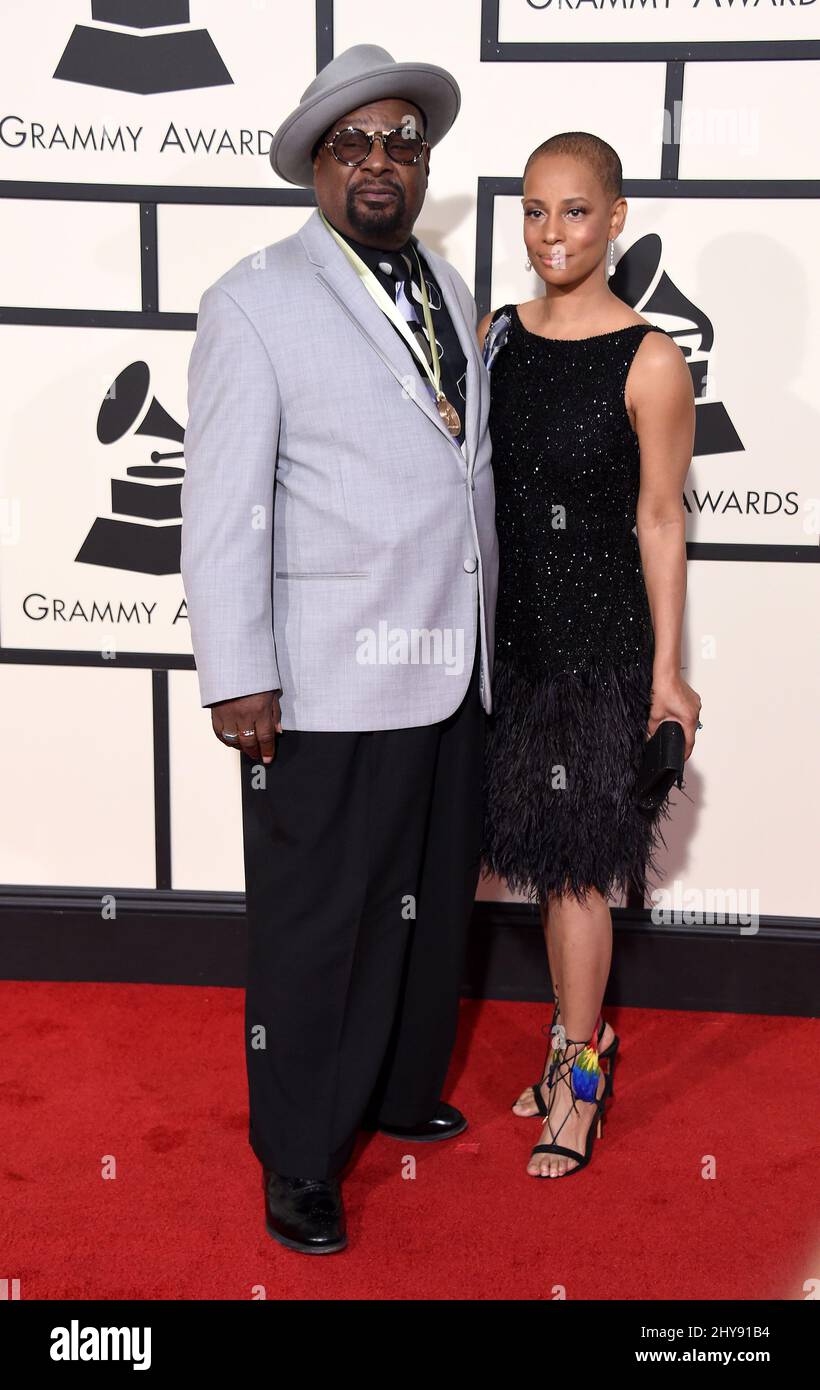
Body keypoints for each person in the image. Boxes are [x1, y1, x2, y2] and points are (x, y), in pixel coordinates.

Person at [180, 45, 497, 1253]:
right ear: (317, 164)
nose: (380, 163)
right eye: (354, 144)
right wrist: (240, 672)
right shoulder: (253, 298)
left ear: (422, 166)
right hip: (320, 672)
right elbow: (219, 505)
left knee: (423, 909)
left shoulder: (445, 281)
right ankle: (299, 1159)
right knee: (317, 923)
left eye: (401, 144)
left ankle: (396, 1090)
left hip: (448, 661)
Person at [477, 131, 701, 1180]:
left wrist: (664, 669)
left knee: (575, 874)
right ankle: (578, 1034)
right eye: (531, 210)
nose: (549, 232)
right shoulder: (496, 338)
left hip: (597, 653)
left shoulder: (650, 359)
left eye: (572, 211)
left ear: (615, 218)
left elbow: (661, 519)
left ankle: (579, 1077)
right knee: (532, 860)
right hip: (503, 650)